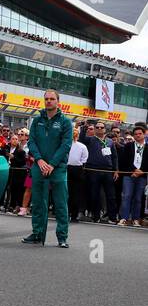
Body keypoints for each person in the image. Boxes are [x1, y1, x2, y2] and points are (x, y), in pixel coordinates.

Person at [23, 89, 72, 248]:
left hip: (57, 168)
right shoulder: (37, 120)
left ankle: (62, 237)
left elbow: (66, 145)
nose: (49, 101)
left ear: (58, 101)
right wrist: (39, 160)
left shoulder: (65, 122)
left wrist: (52, 164)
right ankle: (37, 234)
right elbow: (31, 142)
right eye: (46, 99)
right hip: (39, 166)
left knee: (60, 204)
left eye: (52, 99)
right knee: (37, 202)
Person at [80, 121, 116, 223]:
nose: (99, 129)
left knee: (111, 195)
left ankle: (112, 217)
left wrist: (116, 170)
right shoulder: (90, 139)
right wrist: (84, 128)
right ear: (95, 129)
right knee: (94, 194)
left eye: (102, 127)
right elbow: (81, 139)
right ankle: (96, 217)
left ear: (105, 129)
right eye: (97, 127)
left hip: (108, 170)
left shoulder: (110, 141)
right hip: (93, 170)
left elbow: (114, 157)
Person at [116, 124, 147, 227]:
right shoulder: (128, 145)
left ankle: (135, 219)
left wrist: (142, 171)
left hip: (142, 176)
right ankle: (123, 218)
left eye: (140, 134)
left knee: (138, 198)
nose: (138, 135)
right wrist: (134, 170)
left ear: (144, 134)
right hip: (129, 175)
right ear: (133, 136)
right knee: (126, 196)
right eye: (136, 134)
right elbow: (124, 161)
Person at [65, 125, 87, 222]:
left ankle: (70, 214)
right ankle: (72, 215)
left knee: (70, 192)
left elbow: (84, 159)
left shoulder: (80, 146)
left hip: (74, 169)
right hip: (74, 168)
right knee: (71, 193)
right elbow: (84, 159)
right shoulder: (81, 146)